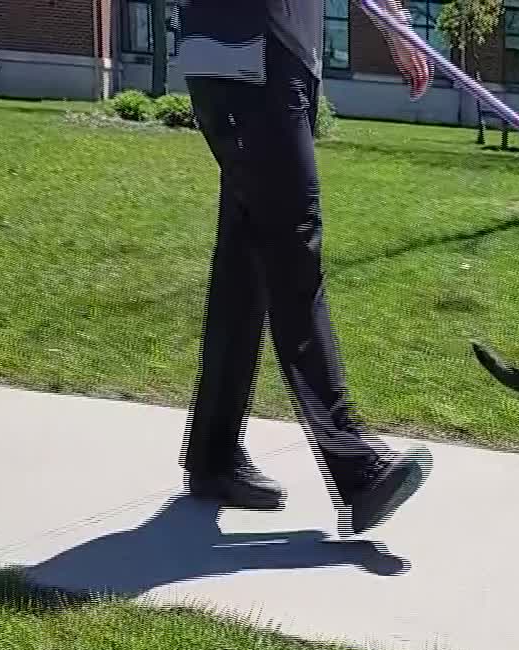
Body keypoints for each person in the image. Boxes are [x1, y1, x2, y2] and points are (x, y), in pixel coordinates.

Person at [175, 0, 433, 534]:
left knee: (244, 272)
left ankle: (212, 455)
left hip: (238, 58)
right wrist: (394, 27)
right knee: (294, 259)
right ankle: (355, 469)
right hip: (258, 58)